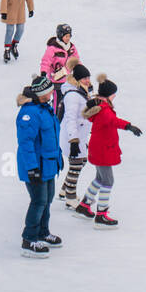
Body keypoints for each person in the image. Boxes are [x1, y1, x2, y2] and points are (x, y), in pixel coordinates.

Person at [72, 75, 143, 225]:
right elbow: (113, 121)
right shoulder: (104, 110)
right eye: (114, 93)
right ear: (109, 94)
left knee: (100, 178)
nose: (115, 96)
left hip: (99, 148)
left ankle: (84, 205)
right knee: (108, 181)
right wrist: (129, 126)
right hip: (103, 150)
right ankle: (101, 214)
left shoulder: (99, 105)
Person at [16, 73, 63, 257]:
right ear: (40, 93)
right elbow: (26, 143)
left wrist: (58, 157)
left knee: (48, 199)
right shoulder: (30, 113)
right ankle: (29, 239)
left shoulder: (46, 108)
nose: (51, 94)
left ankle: (43, 232)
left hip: (49, 163)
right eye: (48, 91)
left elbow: (51, 136)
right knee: (39, 201)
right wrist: (32, 168)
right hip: (36, 166)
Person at [57, 65, 95, 204]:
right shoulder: (73, 95)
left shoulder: (82, 92)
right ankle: (70, 198)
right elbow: (70, 119)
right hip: (72, 136)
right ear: (77, 79)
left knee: (82, 161)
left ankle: (64, 189)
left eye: (88, 77)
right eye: (84, 78)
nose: (87, 80)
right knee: (76, 164)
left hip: (80, 135)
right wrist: (73, 140)